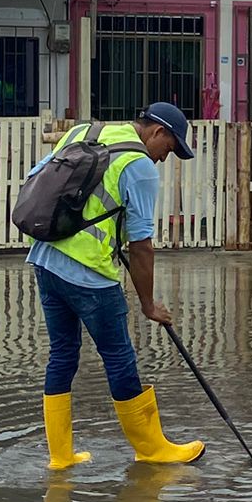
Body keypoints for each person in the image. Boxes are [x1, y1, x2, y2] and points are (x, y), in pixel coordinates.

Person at [29, 102, 204, 471]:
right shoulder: (138, 164)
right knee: (119, 357)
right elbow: (141, 246)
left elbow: (39, 178)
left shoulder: (85, 132)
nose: (163, 159)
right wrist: (148, 304)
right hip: (88, 274)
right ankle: (152, 448)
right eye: (169, 149)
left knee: (62, 355)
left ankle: (60, 457)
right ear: (157, 132)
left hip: (45, 260)